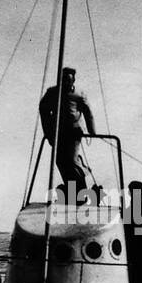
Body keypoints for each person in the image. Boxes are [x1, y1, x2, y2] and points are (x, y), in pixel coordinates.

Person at [38, 67, 97, 203]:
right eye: (64, 79)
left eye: (69, 80)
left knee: (71, 161)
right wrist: (48, 131)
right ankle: (73, 194)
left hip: (74, 133)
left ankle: (81, 194)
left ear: (73, 80)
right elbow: (43, 109)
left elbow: (88, 112)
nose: (66, 82)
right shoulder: (53, 93)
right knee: (60, 161)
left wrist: (92, 131)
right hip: (58, 134)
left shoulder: (79, 94)